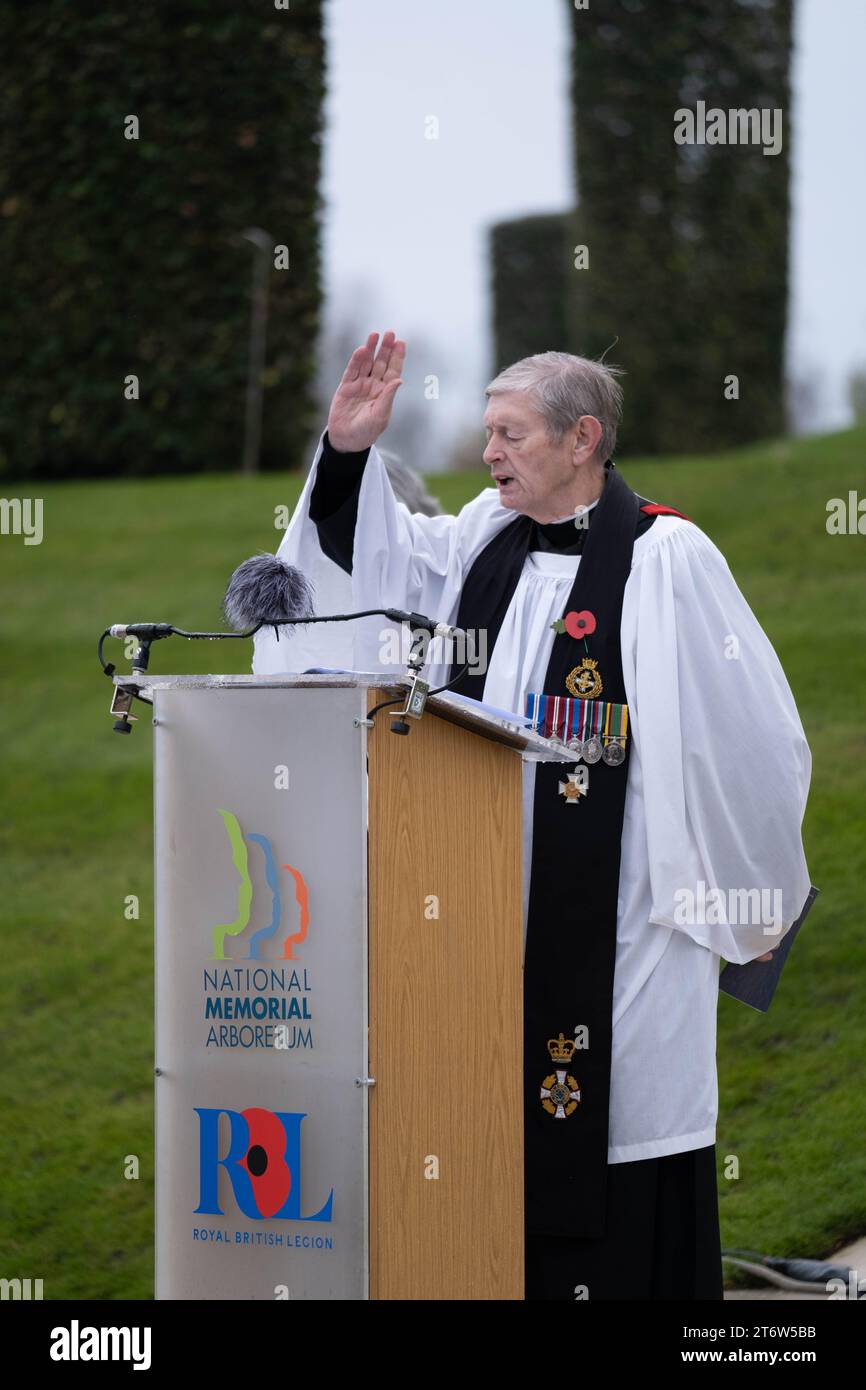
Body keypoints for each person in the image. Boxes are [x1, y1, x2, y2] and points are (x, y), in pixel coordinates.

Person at [253, 330, 812, 1300]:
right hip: (480, 891)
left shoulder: (663, 555)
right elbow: (371, 578)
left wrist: (719, 878)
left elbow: (749, 732)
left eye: (509, 433)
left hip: (620, 902)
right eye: (486, 433)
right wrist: (345, 452)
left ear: (580, 438)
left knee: (618, 1112)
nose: (488, 453)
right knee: (488, 1107)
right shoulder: (485, 535)